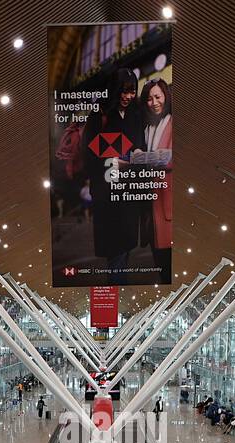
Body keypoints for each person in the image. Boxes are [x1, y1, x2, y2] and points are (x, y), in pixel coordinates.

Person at [83, 68, 145, 285]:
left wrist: (137, 155)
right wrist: (109, 163)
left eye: (133, 91)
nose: (129, 96)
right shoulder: (99, 115)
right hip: (107, 192)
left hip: (129, 193)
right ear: (115, 89)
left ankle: (118, 285)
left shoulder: (136, 115)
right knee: (116, 249)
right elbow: (87, 154)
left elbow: (140, 147)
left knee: (125, 247)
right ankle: (117, 287)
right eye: (125, 91)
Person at [131, 78, 173, 283]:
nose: (154, 102)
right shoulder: (146, 129)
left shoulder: (173, 123)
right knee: (158, 258)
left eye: (158, 96)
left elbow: (168, 157)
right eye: (149, 98)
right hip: (150, 201)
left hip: (167, 199)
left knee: (167, 257)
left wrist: (137, 158)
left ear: (166, 97)